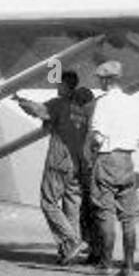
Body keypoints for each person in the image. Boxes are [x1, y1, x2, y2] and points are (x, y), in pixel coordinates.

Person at [15, 71, 93, 265]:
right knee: (71, 207)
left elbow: (38, 110)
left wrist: (20, 100)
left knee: (48, 202)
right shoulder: (82, 111)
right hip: (78, 164)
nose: (56, 87)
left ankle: (72, 240)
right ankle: (68, 253)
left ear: (65, 86)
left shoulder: (59, 104)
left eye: (59, 84)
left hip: (59, 161)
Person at [86, 60, 139, 276]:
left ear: (106, 80)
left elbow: (97, 136)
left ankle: (106, 263)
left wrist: (92, 153)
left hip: (107, 159)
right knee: (128, 218)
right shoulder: (132, 103)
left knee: (105, 213)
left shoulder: (103, 103)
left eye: (100, 79)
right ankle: (128, 266)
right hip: (127, 161)